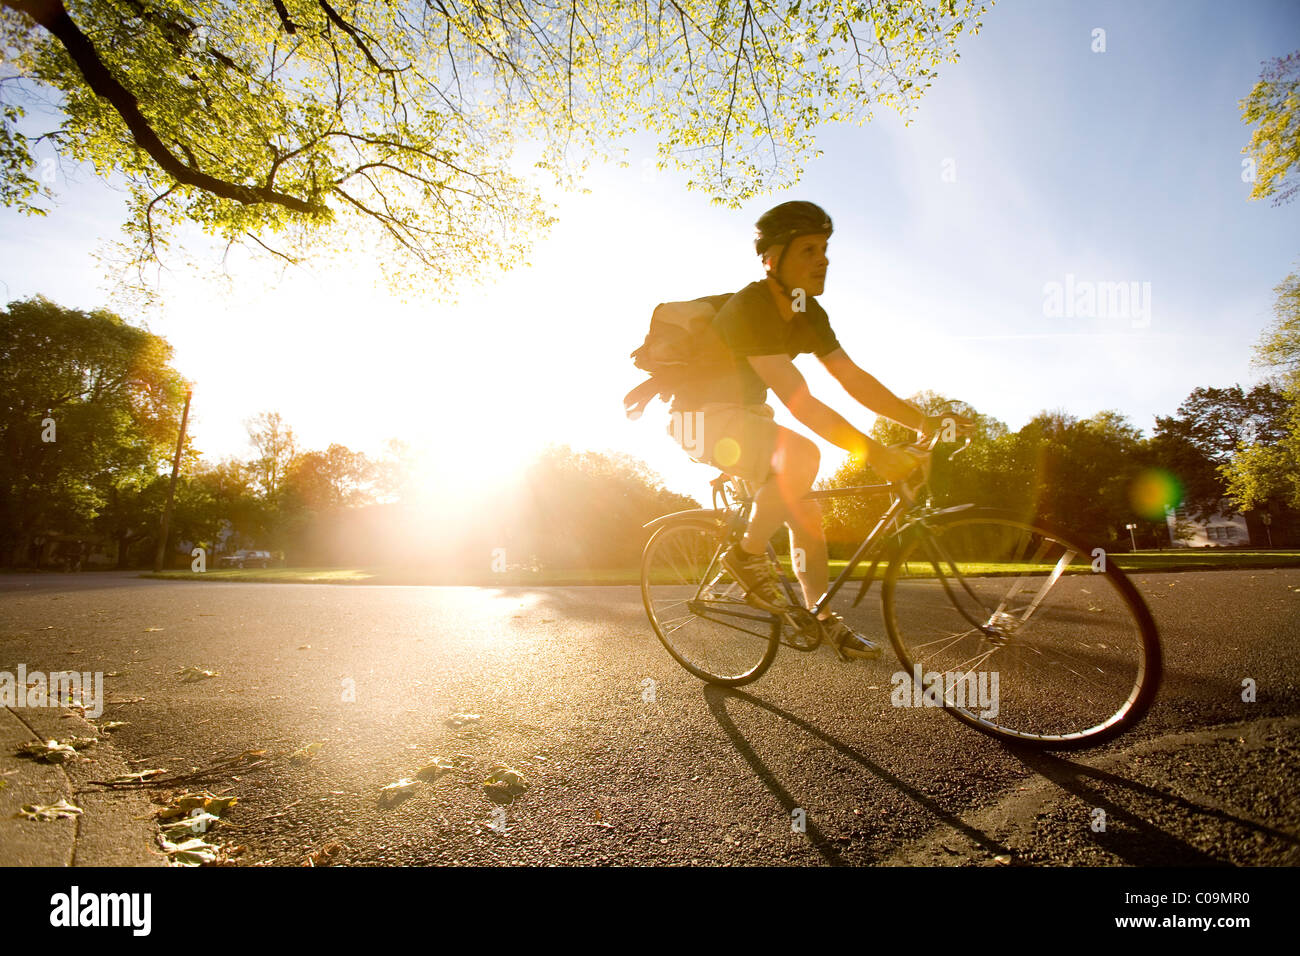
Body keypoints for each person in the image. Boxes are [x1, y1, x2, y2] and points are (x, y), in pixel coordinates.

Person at [670, 200, 967, 660]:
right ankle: (746, 558)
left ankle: (822, 618)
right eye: (808, 249)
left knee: (806, 513)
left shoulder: (808, 311)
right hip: (698, 420)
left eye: (825, 248)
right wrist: (876, 453)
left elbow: (852, 379)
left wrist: (925, 422)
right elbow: (800, 401)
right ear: (771, 258)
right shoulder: (750, 306)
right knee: (804, 455)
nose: (823, 259)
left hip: (746, 421)